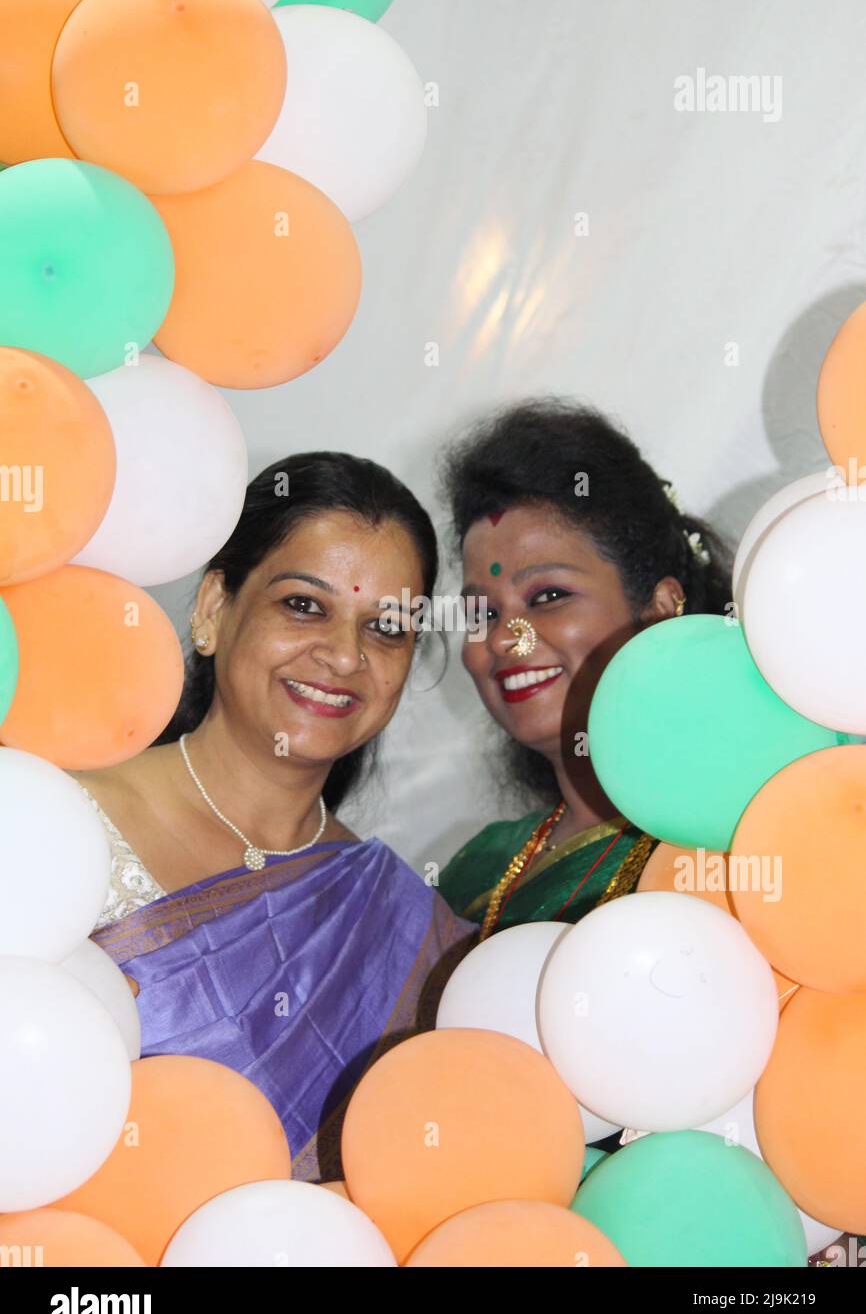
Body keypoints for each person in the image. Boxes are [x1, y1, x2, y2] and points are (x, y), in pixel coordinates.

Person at [69, 451, 475, 1181]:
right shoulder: (60, 825)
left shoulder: (415, 930)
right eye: (304, 606)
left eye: (385, 628)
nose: (345, 656)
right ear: (214, 610)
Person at [437, 397, 733, 936]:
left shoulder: (741, 836)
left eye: (548, 595)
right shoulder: (474, 871)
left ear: (661, 608)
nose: (504, 638)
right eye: (482, 612)